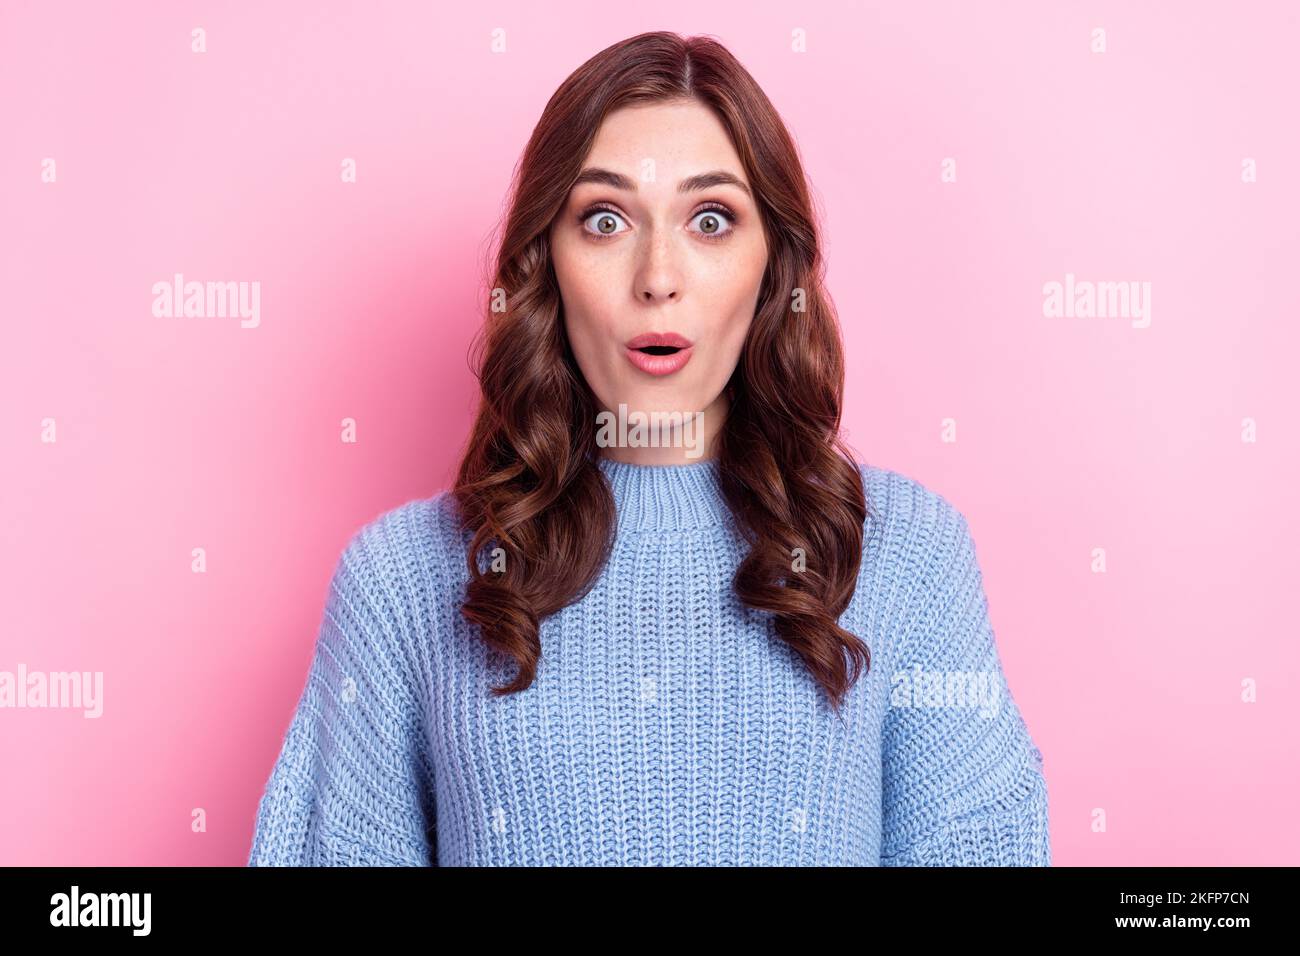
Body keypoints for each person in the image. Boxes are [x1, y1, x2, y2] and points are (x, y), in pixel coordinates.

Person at [247, 30, 1050, 867]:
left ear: (772, 266)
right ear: (544, 262)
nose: (657, 276)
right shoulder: (401, 583)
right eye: (604, 219)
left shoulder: (909, 557)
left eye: (711, 219)